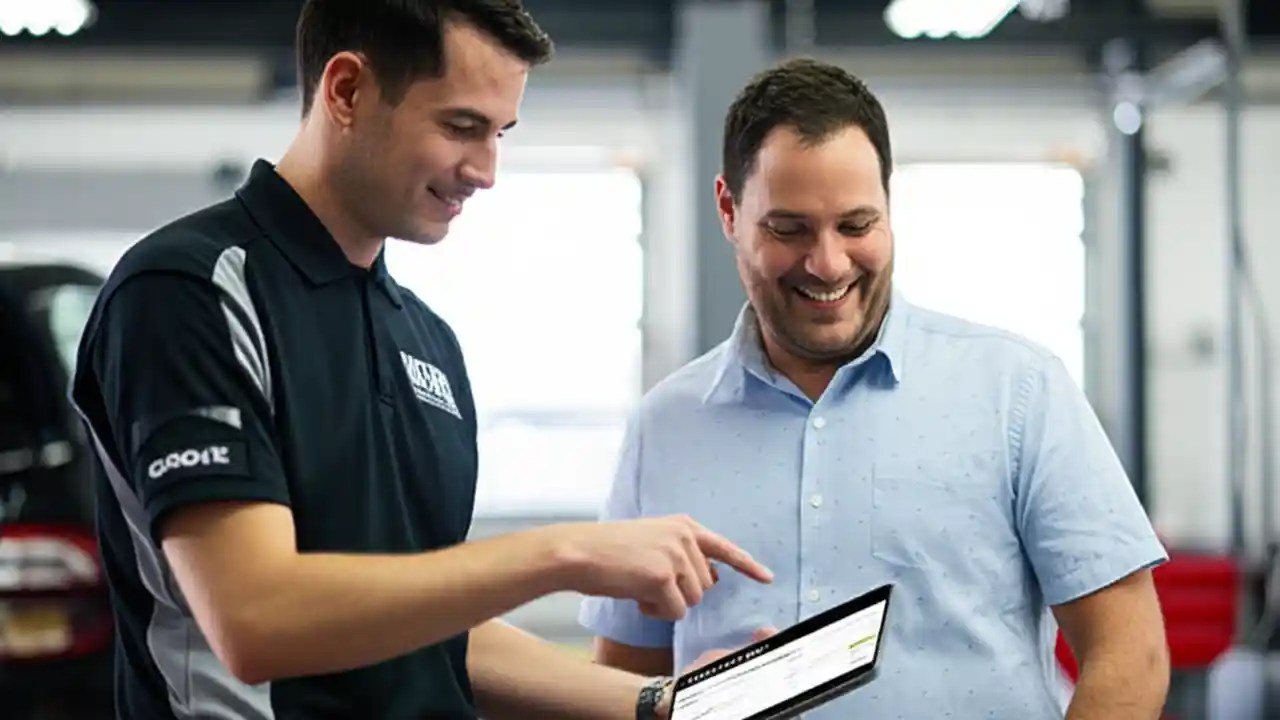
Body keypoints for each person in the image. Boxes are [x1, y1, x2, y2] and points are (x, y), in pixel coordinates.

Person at [67, 2, 773, 718]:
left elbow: (433, 633)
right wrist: (564, 554)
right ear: (346, 91)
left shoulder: (426, 342)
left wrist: (668, 702)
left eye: (500, 134)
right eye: (461, 127)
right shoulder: (191, 292)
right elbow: (256, 618)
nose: (487, 171)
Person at [580, 57, 1171, 719]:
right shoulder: (666, 427)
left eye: (856, 226)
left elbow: (1130, 651)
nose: (828, 263)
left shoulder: (1019, 391)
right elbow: (627, 684)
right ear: (728, 210)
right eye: (789, 229)